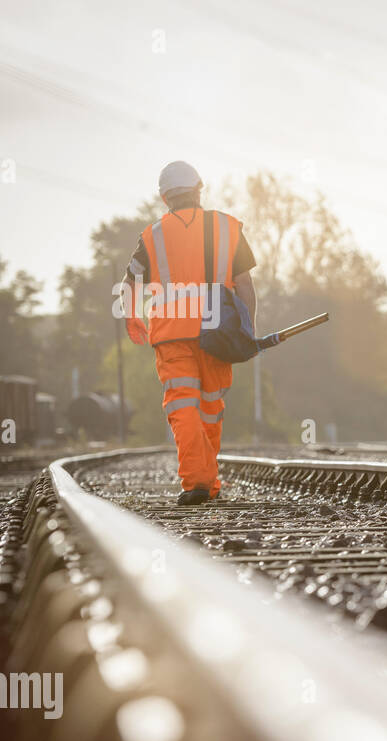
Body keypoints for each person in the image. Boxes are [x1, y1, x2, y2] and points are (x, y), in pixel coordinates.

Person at [120, 161, 257, 504]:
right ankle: (205, 483)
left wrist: (132, 317)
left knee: (183, 406)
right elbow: (244, 285)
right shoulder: (228, 227)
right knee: (210, 408)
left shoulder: (151, 236)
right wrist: (247, 328)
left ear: (165, 197)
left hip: (171, 335)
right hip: (218, 332)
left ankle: (199, 482)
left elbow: (130, 283)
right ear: (199, 189)